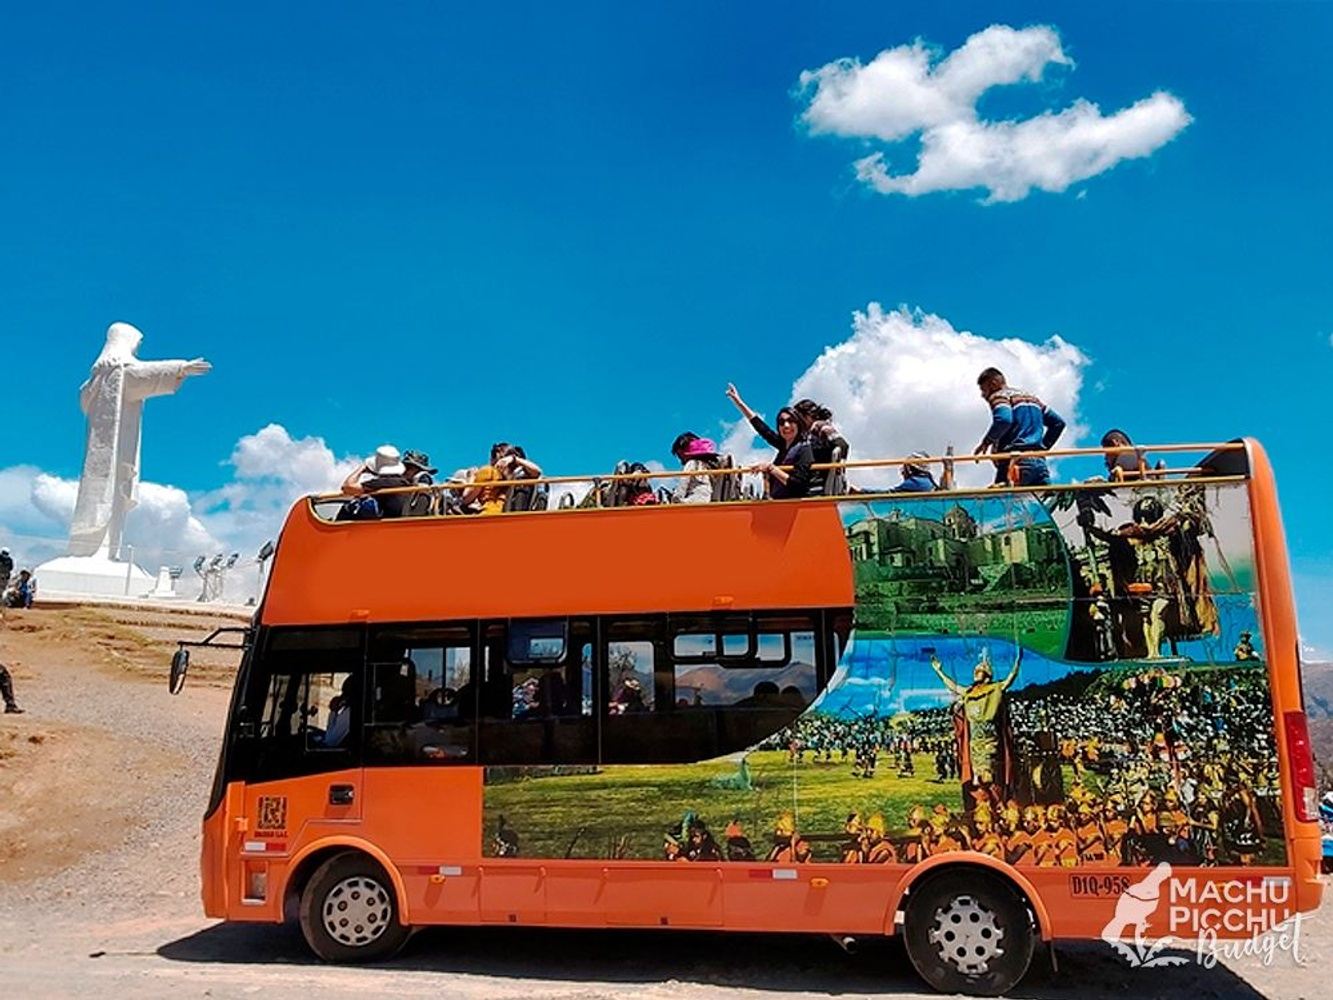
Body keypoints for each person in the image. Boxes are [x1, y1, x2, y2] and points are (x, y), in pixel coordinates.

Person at [973, 368, 1066, 486]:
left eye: (984, 390)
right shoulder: (1032, 398)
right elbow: (1058, 423)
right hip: (1039, 464)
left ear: (993, 384)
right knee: (1044, 502)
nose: (983, 395)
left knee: (1001, 502)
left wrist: (986, 442)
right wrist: (1042, 448)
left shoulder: (999, 396)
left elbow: (1004, 420)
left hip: (1015, 462)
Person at [462, 443, 543, 515]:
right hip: (509, 516)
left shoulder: (487, 471)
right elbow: (538, 472)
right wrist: (515, 459)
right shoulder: (515, 476)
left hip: (488, 515)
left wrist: (471, 477)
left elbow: (466, 499)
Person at [339, 445, 412, 519]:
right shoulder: (404, 482)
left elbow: (347, 487)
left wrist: (362, 469)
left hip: (384, 526)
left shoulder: (383, 482)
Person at [671, 432, 722, 504]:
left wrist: (676, 499)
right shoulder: (708, 466)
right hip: (707, 500)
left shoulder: (691, 464)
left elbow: (683, 483)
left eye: (680, 455)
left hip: (694, 500)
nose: (680, 460)